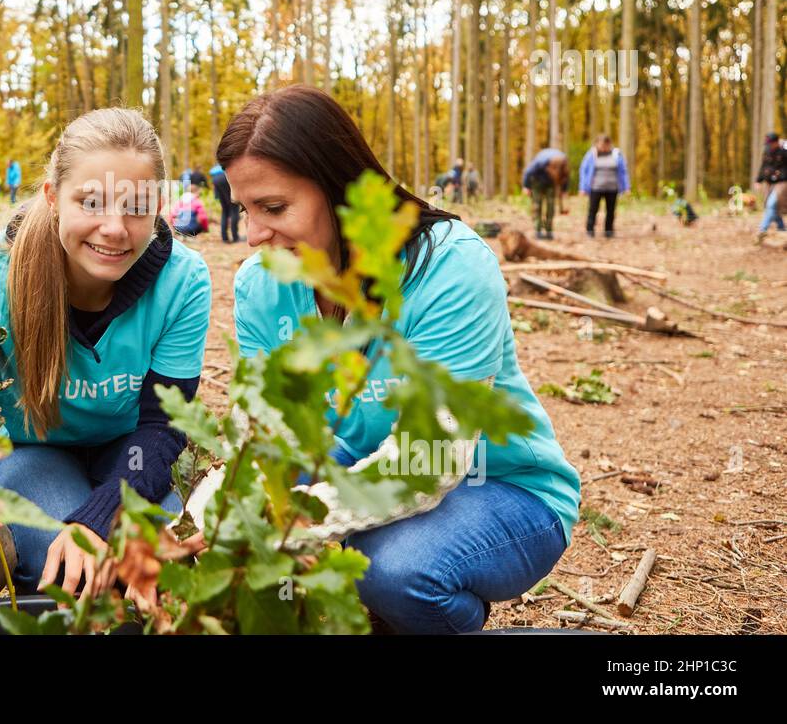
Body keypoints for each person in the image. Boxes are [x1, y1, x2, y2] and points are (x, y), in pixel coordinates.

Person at [222, 86, 579, 635]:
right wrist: (217, 512)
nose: (253, 235)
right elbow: (265, 433)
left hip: (499, 484)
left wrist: (304, 520)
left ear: (340, 190)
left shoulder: (449, 267)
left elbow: (430, 460)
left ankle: (441, 618)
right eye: (244, 209)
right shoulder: (261, 285)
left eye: (273, 208)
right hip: (357, 459)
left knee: (390, 569)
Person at [0, 108, 212, 598]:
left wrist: (102, 516)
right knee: (73, 576)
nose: (114, 228)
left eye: (136, 207)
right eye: (91, 202)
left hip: (131, 452)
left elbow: (162, 423)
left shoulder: (184, 282)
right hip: (31, 451)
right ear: (52, 197)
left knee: (163, 575)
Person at [578, 134, 630, 238]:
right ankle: (590, 230)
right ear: (597, 144)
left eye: (606, 145)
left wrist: (626, 187)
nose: (603, 147)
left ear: (609, 144)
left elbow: (623, 172)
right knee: (593, 209)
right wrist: (582, 187)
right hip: (595, 187)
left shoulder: (616, 154)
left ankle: (609, 230)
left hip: (612, 187)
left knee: (610, 210)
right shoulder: (591, 155)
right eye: (601, 145)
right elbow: (584, 171)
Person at [522, 148, 570, 240]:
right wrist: (526, 187)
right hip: (536, 181)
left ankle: (549, 231)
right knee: (537, 205)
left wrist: (564, 190)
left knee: (551, 206)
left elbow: (565, 176)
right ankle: (538, 231)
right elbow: (528, 172)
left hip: (550, 183)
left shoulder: (564, 161)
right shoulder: (541, 162)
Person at [755, 132, 787, 242]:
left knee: (772, 203)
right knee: (771, 206)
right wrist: (758, 180)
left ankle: (762, 230)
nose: (769, 145)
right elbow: (763, 166)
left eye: (771, 143)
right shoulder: (767, 151)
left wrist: (780, 174)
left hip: (782, 183)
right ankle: (782, 228)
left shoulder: (784, 152)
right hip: (769, 183)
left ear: (776, 142)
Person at [209, 163, 240, 243]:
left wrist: (216, 196)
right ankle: (235, 237)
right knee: (234, 209)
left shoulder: (217, 166)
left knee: (225, 211)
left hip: (216, 180)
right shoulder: (228, 161)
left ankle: (224, 237)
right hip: (226, 177)